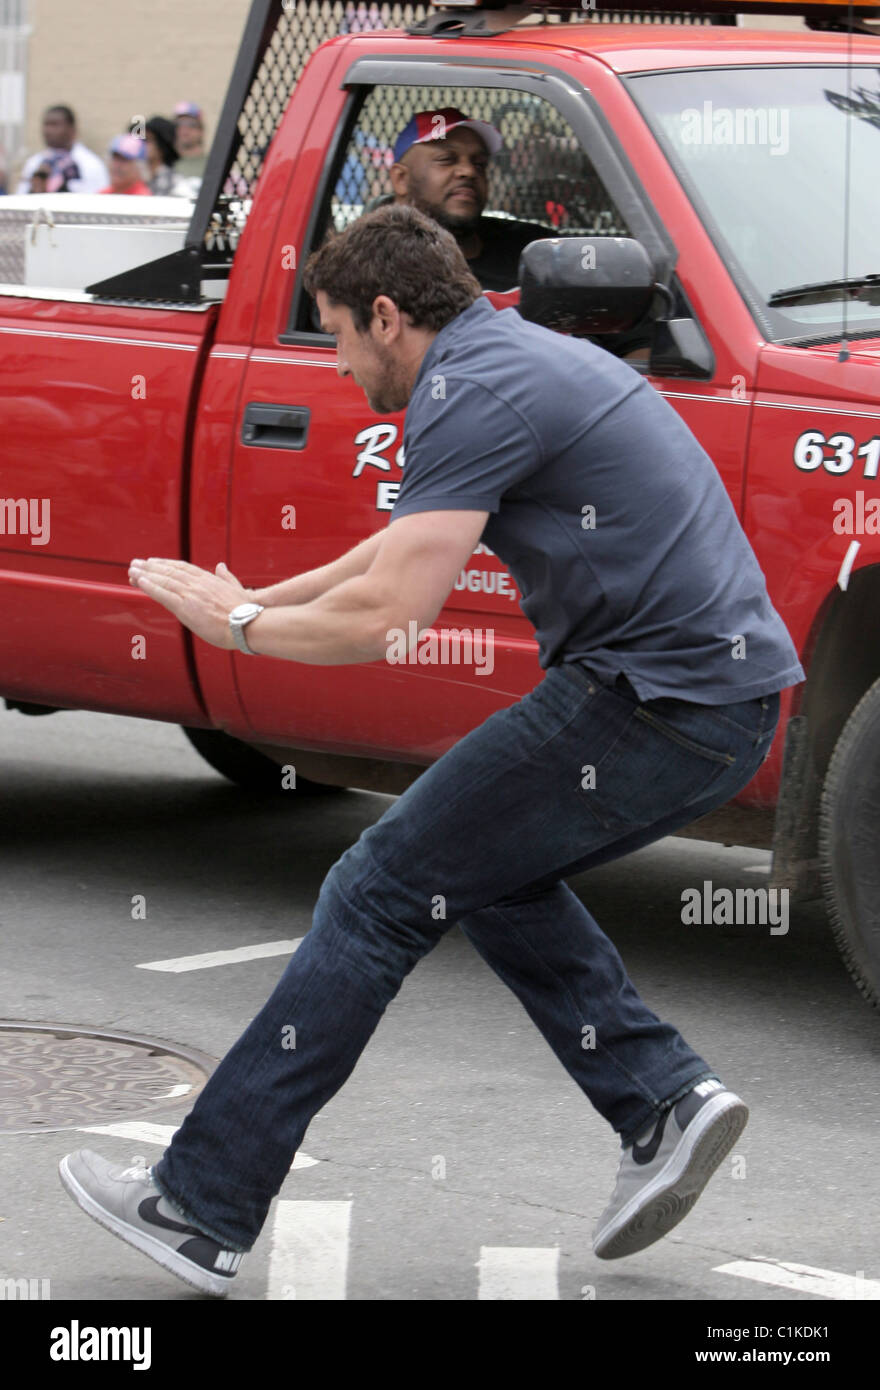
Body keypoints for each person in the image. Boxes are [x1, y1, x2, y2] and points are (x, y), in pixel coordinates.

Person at [58, 205, 805, 1297]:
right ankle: (662, 1105)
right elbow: (397, 544)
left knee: (378, 887)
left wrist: (239, 633)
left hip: (659, 701)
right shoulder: (496, 356)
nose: (341, 365)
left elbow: (386, 616)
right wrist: (259, 594)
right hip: (711, 698)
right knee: (482, 873)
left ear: (387, 314)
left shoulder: (470, 388)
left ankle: (199, 1206)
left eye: (340, 337)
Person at [389, 107, 551, 292]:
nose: (469, 171)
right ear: (401, 179)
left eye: (479, 164)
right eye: (447, 159)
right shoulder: (372, 266)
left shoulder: (531, 252)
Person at [16, 105, 108, 194]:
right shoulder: (35, 163)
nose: (48, 131)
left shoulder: (90, 164)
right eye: (46, 125)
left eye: (54, 125)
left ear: (72, 129)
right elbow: (20, 198)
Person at [140, 116, 191, 197]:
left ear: (162, 147)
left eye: (146, 140)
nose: (139, 144)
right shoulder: (128, 176)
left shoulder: (177, 184)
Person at [173, 100, 207, 192]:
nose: (184, 130)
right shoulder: (167, 162)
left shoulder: (211, 164)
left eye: (191, 125)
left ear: (201, 130)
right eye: (179, 125)